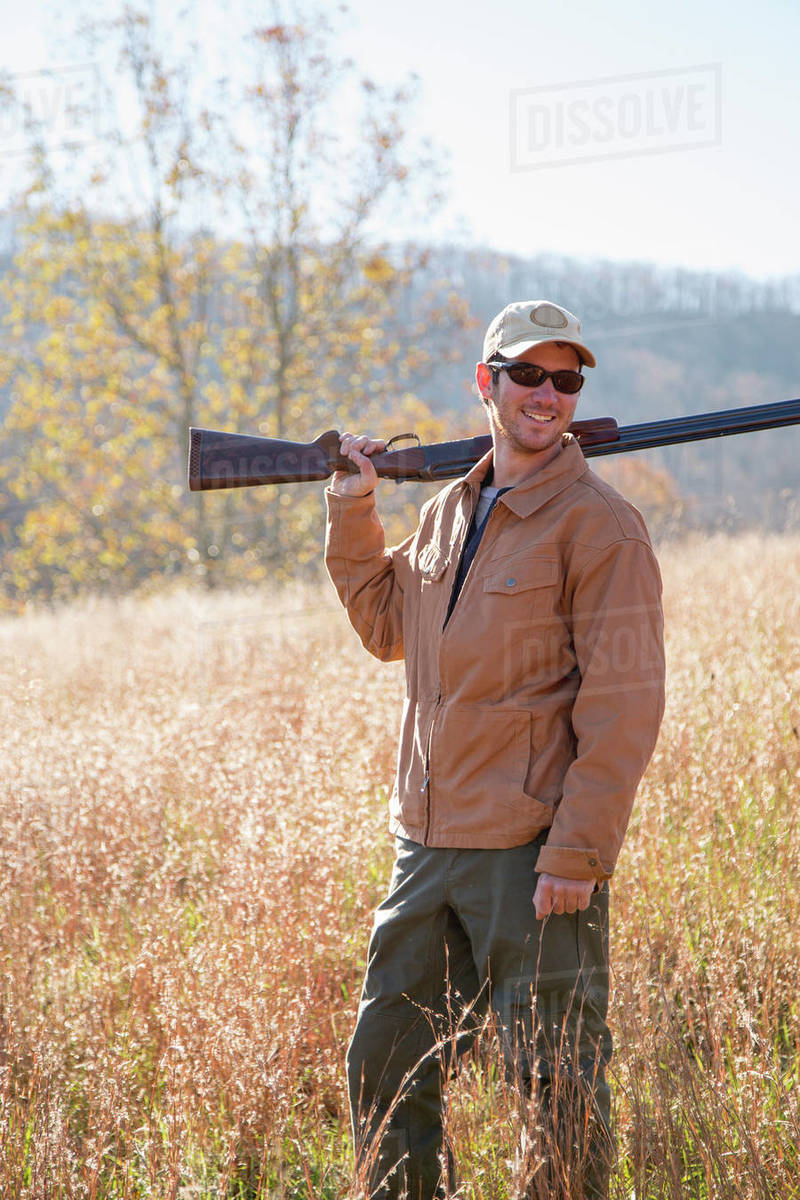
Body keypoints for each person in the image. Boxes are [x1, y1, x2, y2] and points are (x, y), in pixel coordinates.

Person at [324, 299, 666, 1199]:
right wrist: (354, 508)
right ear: (488, 383)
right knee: (386, 1069)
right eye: (527, 375)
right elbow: (386, 627)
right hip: (427, 847)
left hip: (532, 857)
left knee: (556, 1089)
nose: (547, 395)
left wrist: (578, 855)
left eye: (566, 380)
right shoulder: (444, 513)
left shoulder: (602, 526)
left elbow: (624, 705)